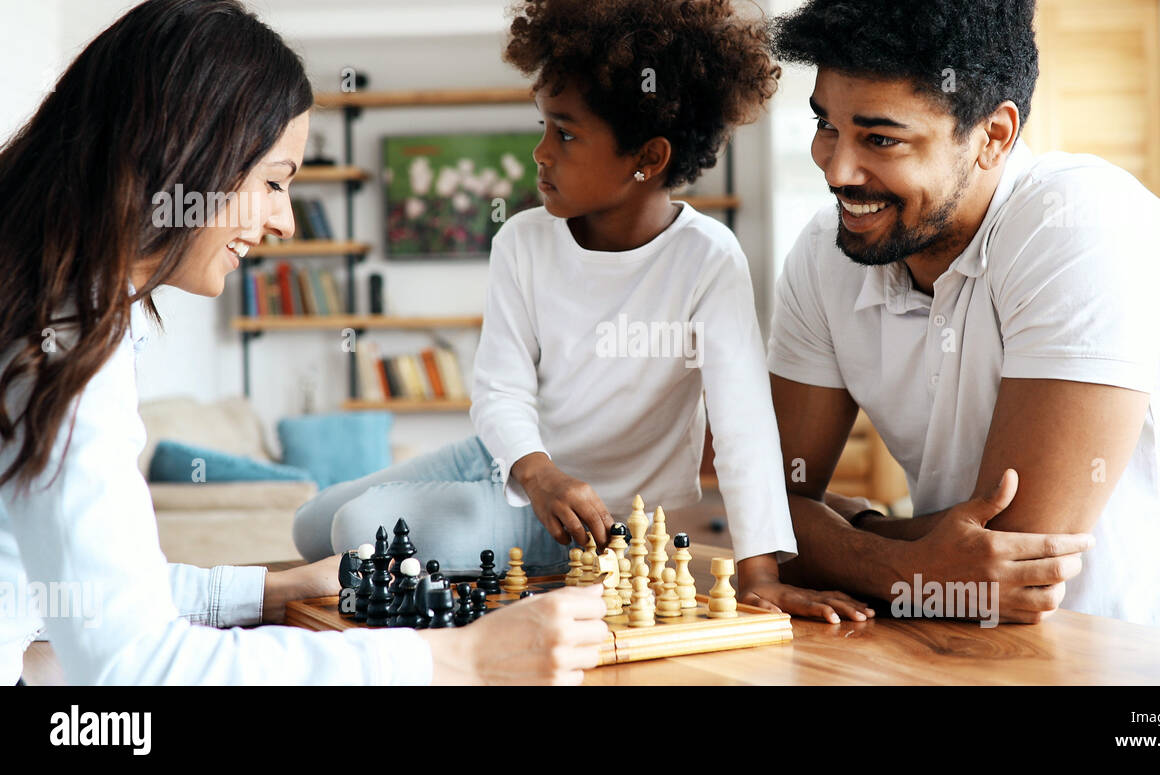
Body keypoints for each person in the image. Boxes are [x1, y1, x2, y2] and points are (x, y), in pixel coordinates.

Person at [0, 0, 609, 687]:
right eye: (272, 182)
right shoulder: (66, 345)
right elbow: (136, 665)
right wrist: (455, 658)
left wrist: (269, 589)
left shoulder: (49, 304)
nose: (284, 221)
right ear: (187, 151)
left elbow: (90, 600)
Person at [293, 0, 873, 624]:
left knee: (355, 527)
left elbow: (744, 427)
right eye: (544, 126)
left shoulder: (708, 259)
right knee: (312, 525)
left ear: (648, 159)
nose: (541, 153)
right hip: (514, 463)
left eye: (565, 133)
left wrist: (761, 573)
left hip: (590, 516)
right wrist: (536, 470)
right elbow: (499, 390)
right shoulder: (522, 240)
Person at [765, 0, 1160, 633]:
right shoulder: (823, 253)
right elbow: (763, 511)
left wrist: (843, 534)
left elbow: (1017, 556)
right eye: (826, 125)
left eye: (880, 138)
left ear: (993, 135)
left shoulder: (1085, 221)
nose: (837, 170)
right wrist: (902, 559)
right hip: (934, 642)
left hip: (1113, 660)